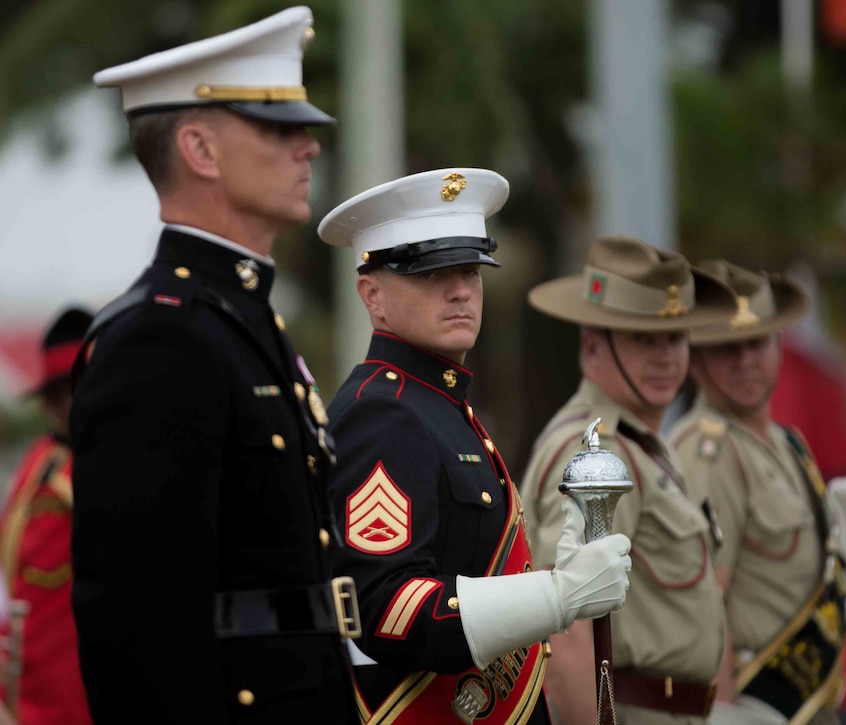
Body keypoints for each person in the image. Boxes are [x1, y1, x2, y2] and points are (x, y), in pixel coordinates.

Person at [68, 8, 357, 723]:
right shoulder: (162, 338)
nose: (309, 147)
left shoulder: (237, 320)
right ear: (199, 148)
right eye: (277, 129)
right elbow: (138, 630)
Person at [319, 168, 632, 724]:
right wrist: (555, 596)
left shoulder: (438, 404)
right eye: (430, 273)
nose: (460, 289)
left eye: (469, 270)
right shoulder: (383, 413)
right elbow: (385, 608)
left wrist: (554, 586)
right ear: (373, 295)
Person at [668, 259, 846, 725]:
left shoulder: (786, 444)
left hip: (806, 708)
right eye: (726, 348)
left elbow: (827, 582)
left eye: (757, 342)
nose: (745, 360)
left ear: (780, 345)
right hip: (752, 709)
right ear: (695, 360)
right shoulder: (707, 454)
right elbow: (702, 611)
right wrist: (720, 717)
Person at [519, 235, 737, 725]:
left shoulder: (638, 444)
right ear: (593, 344)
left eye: (675, 337)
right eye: (642, 338)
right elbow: (567, 632)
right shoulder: (596, 453)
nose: (665, 357)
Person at [0, 306, 94, 725]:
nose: (62, 404)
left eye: (72, 388)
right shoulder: (39, 470)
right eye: (55, 393)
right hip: (42, 707)